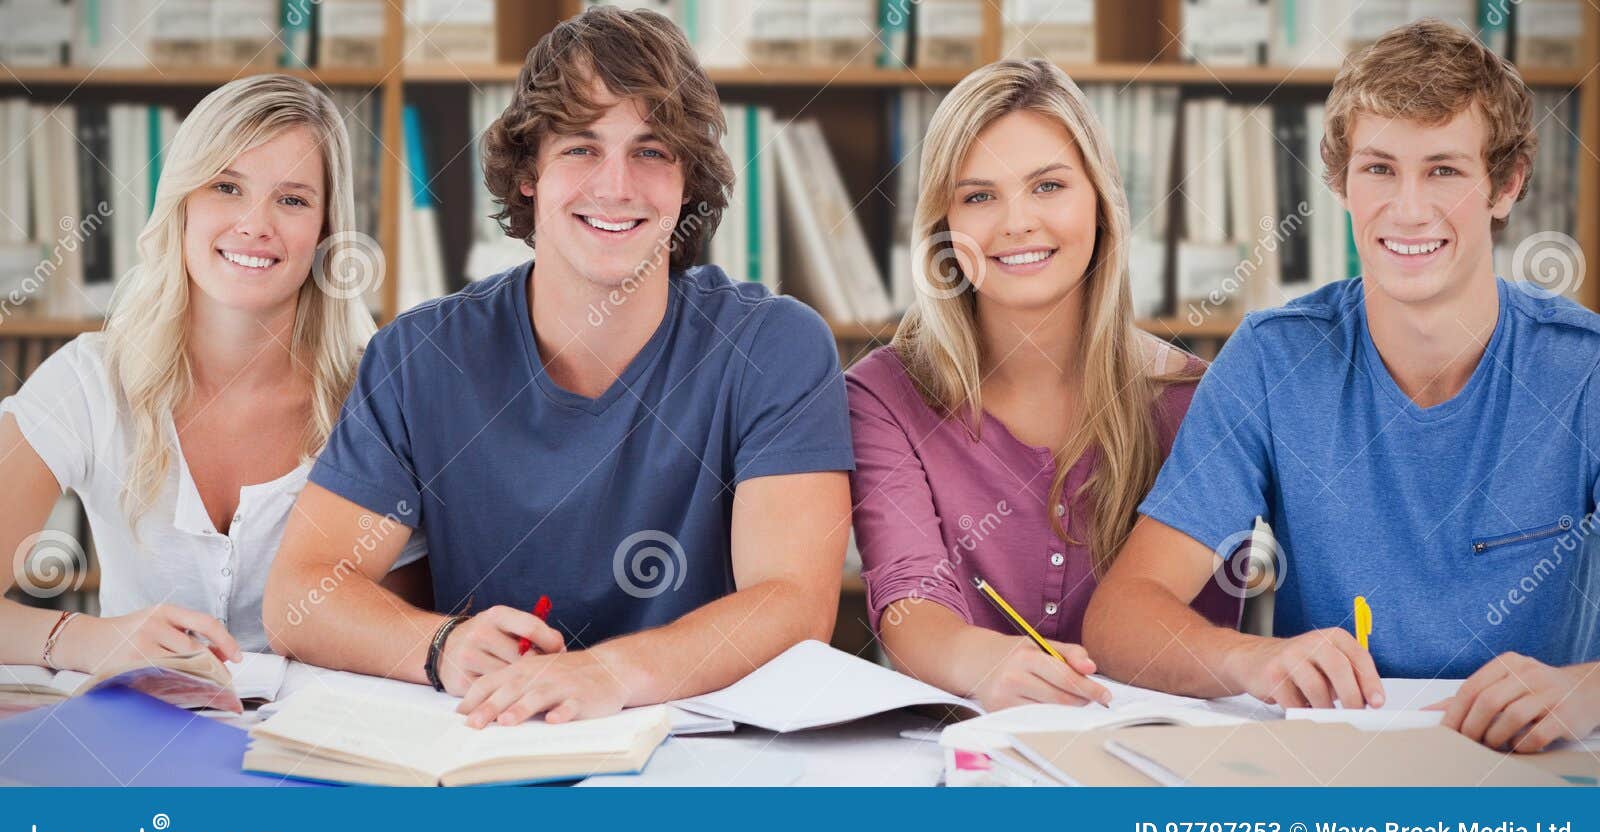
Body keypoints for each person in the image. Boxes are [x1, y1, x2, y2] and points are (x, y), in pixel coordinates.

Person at [263, 6, 854, 728]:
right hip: (488, 741)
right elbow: (301, 595)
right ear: (528, 176)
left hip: (700, 754)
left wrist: (609, 671)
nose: (616, 185)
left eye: (652, 151)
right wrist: (440, 644)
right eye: (580, 147)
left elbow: (794, 600)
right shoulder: (421, 357)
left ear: (687, 184)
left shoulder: (775, 347)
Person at [1082, 19, 1600, 753]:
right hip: (1338, 771)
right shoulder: (1272, 359)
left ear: (1506, 184)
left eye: (1445, 170)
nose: (1408, 208)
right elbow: (1120, 617)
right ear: (1340, 181)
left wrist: (1586, 691)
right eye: (1379, 168)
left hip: (1538, 774)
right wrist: (1254, 660)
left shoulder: (1583, 370)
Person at [847, 59, 1243, 713]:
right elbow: (907, 596)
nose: (1016, 222)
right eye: (979, 196)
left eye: (1048, 186)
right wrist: (987, 663)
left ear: (1100, 200)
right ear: (944, 225)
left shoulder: (1196, 400)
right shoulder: (885, 395)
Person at [0, 74, 426, 671]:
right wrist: (88, 639)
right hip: (137, 743)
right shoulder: (89, 381)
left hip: (316, 749)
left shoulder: (379, 397)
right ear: (181, 204)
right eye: (226, 186)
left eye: (293, 199)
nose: (255, 224)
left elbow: (406, 626)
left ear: (327, 230)